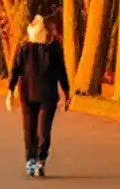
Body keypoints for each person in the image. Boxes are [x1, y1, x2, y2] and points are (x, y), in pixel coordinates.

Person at [5, 15, 71, 177]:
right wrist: (9, 91)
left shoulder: (54, 49)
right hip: (27, 93)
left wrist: (66, 93)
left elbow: (61, 71)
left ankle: (41, 159)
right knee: (29, 130)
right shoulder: (25, 48)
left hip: (47, 95)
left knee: (43, 132)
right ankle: (31, 160)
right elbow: (16, 70)